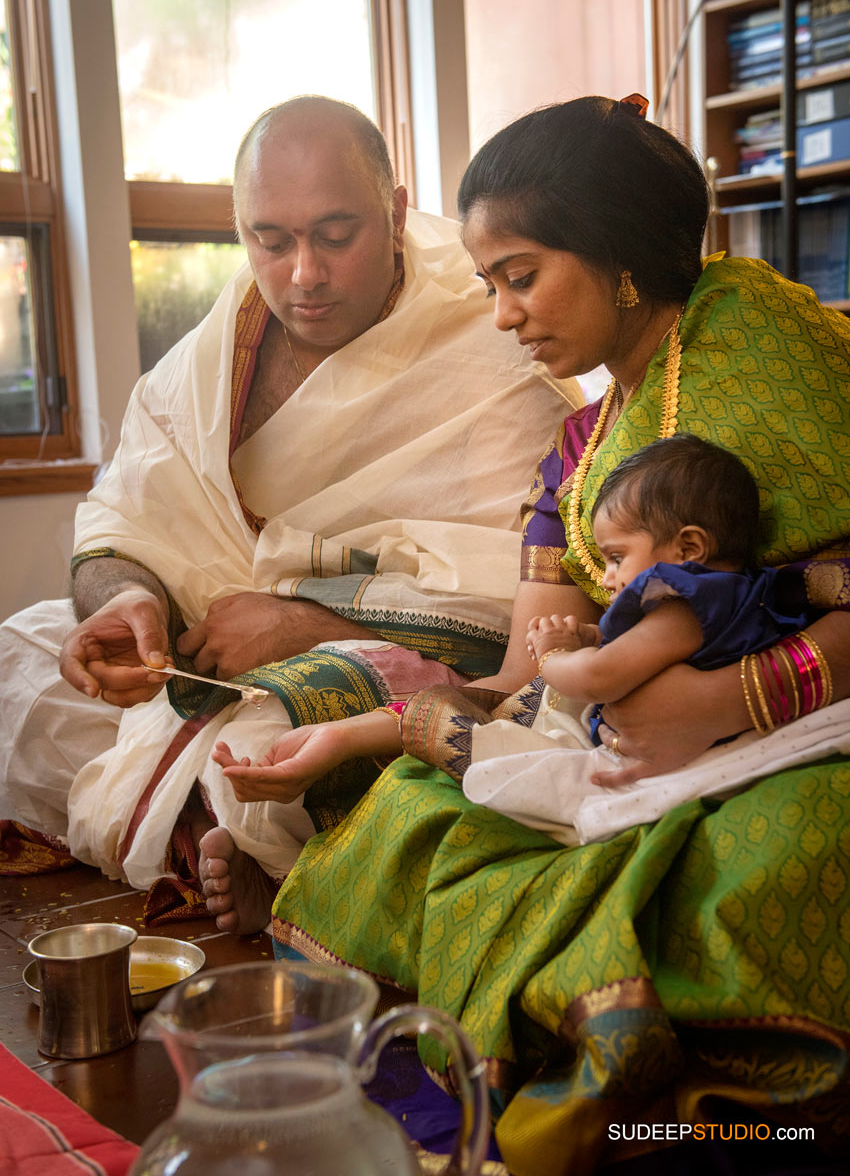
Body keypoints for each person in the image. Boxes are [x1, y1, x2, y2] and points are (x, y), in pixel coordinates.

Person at [246, 96, 850, 1174]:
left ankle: (652, 1097)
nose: (500, 316)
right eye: (487, 284)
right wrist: (372, 736)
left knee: (781, 846)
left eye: (520, 275)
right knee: (402, 811)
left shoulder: (764, 348)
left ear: (618, 256)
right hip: (617, 743)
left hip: (807, 734)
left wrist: (727, 701)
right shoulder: (583, 447)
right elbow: (530, 676)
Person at [0, 96, 575, 924]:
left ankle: (242, 845)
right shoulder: (224, 333)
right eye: (271, 241)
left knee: (282, 727)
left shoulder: (491, 349)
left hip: (367, 651)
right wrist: (128, 602)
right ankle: (205, 827)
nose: (303, 273)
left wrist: (303, 622)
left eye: (336, 236)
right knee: (20, 652)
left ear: (396, 212)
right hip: (206, 648)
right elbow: (125, 519)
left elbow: (513, 598)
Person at [463, 433, 821, 844]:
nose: (607, 577)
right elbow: (650, 649)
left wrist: (552, 656)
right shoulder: (717, 603)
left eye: (616, 557)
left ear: (689, 549)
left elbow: (600, 678)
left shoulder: (686, 603)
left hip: (692, 752)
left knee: (517, 784)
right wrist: (593, 636)